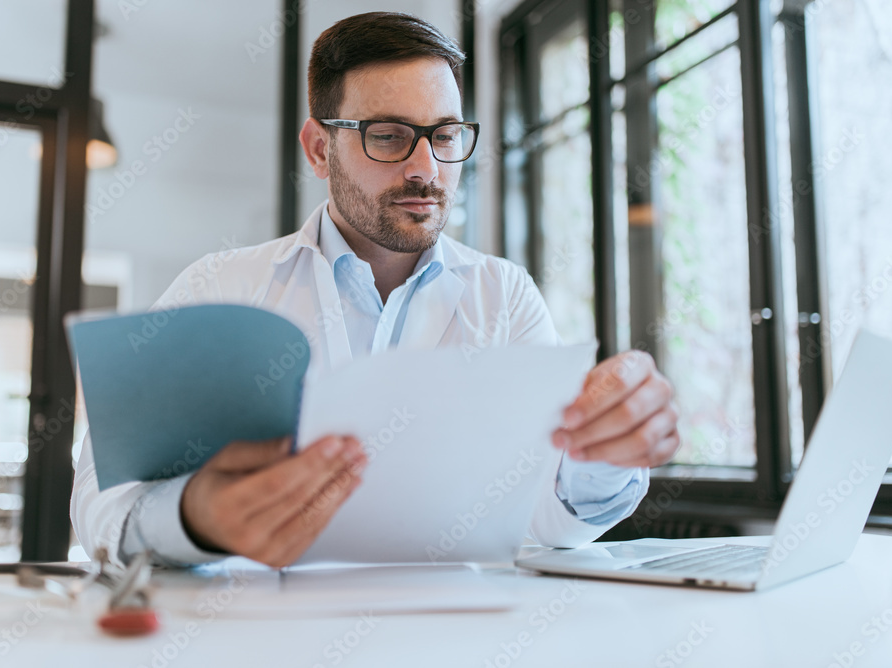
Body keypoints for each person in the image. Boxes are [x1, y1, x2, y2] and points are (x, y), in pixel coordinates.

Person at [70, 11, 680, 569]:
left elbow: (545, 520)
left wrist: (605, 448)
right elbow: (100, 501)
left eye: (444, 136)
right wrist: (196, 516)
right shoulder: (219, 287)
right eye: (388, 136)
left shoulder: (504, 295)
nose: (426, 169)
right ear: (318, 148)